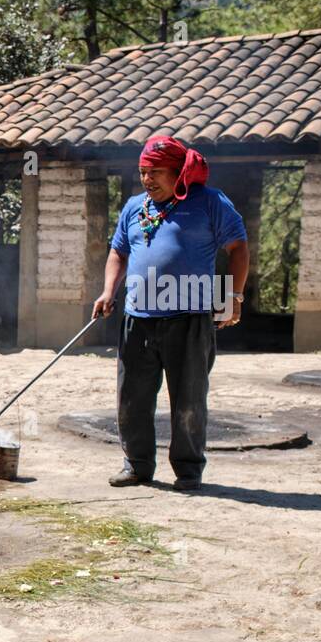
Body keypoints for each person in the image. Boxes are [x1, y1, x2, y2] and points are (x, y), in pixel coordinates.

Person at [93, 135, 249, 491]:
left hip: (190, 318)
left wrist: (233, 296)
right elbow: (118, 252)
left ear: (179, 173)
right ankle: (136, 465)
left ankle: (188, 471)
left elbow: (237, 248)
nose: (148, 179)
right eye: (143, 172)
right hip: (138, 318)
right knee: (131, 397)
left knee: (189, 398)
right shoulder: (135, 206)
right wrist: (108, 292)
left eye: (156, 172)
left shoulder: (210, 202)